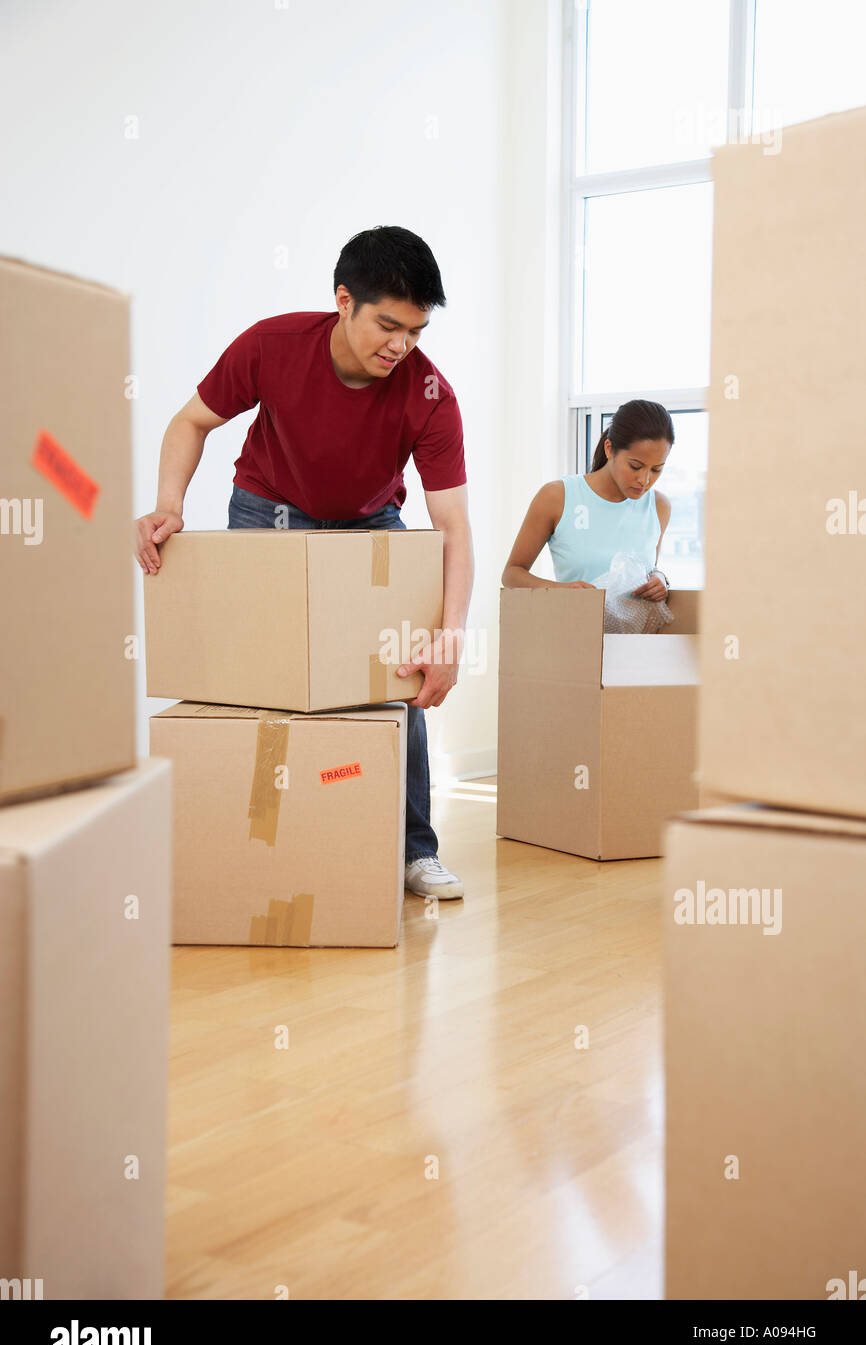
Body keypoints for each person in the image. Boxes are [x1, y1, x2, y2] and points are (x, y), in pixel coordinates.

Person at [135, 226, 473, 902]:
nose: (400, 346)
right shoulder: (273, 345)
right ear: (343, 301)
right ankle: (258, 837)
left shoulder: (431, 396)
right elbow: (189, 422)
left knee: (395, 680)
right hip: (270, 508)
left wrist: (452, 635)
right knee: (262, 679)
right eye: (387, 324)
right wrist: (168, 504)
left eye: (415, 330)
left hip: (370, 524)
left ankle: (414, 850)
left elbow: (453, 527)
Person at [502, 399, 673, 598]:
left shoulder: (659, 506)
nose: (644, 480)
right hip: (575, 626)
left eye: (656, 469)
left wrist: (660, 579)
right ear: (609, 449)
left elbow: (648, 570)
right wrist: (564, 590)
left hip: (638, 630)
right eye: (635, 466)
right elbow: (511, 575)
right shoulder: (557, 496)